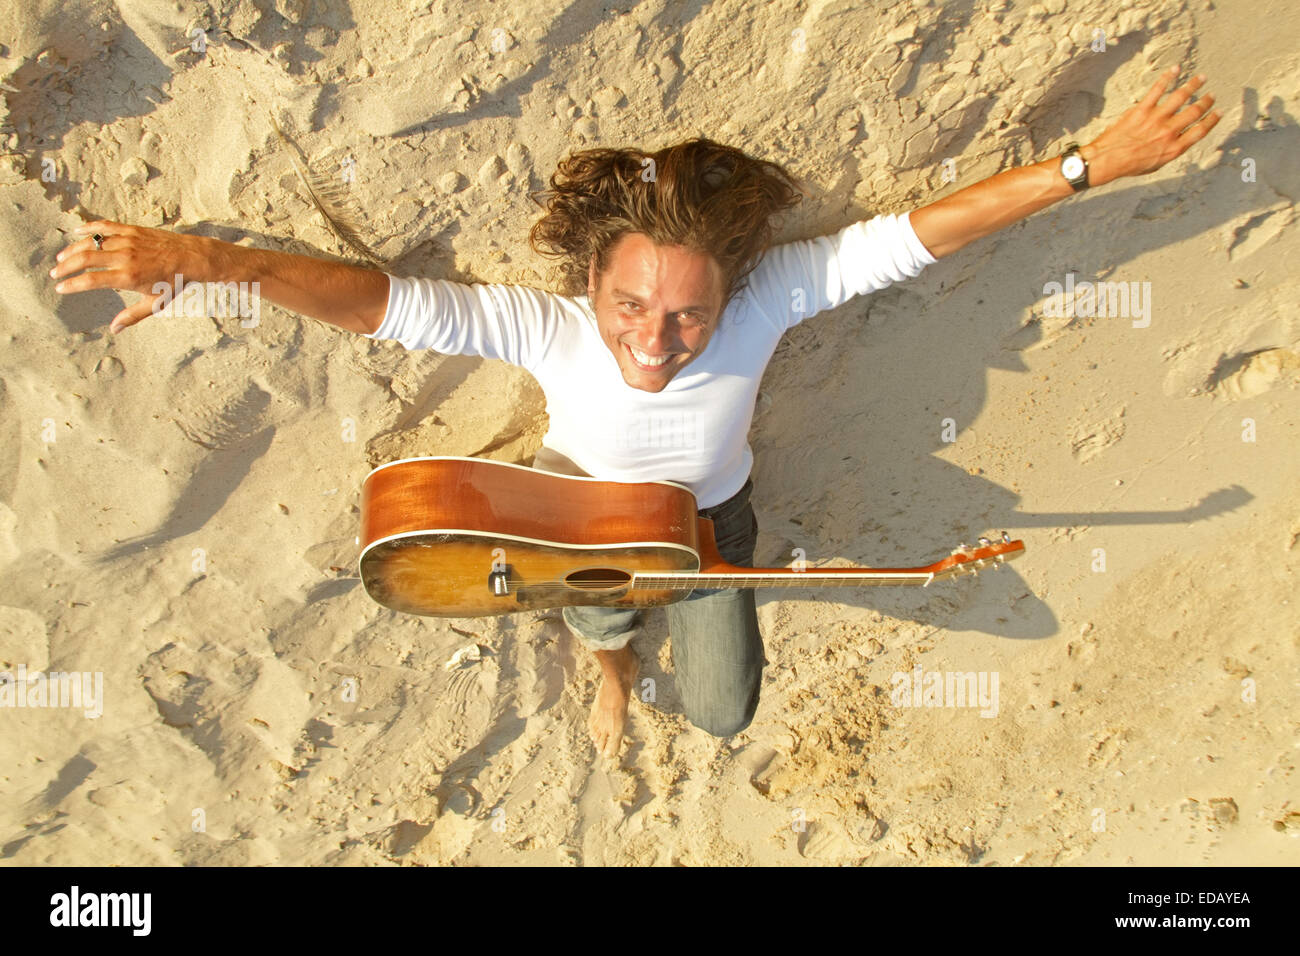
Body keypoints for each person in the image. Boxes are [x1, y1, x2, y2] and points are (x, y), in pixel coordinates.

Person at [50, 66, 1219, 758]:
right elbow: (378, 304)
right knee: (597, 614)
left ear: (729, 293)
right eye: (628, 308)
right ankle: (606, 660)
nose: (655, 344)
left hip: (711, 534)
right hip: (572, 521)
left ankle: (634, 642)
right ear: (589, 279)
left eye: (686, 319)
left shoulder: (769, 303)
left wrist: (1090, 166)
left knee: (723, 710)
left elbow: (922, 234)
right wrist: (210, 260)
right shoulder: (543, 330)